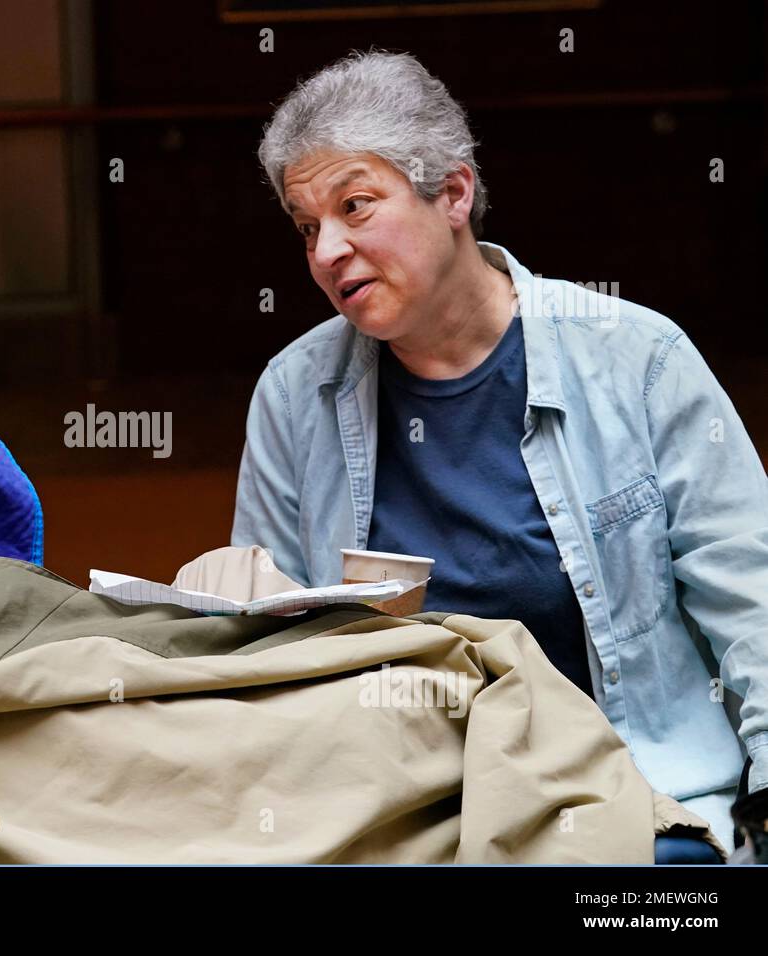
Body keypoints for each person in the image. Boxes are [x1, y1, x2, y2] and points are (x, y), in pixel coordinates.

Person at [231, 50, 768, 851]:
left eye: (356, 206)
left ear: (453, 193)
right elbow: (261, 638)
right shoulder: (294, 392)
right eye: (308, 227)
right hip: (400, 795)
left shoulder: (637, 358)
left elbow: (749, 594)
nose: (326, 251)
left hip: (629, 785)